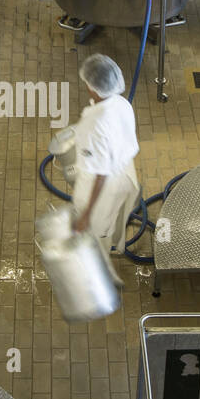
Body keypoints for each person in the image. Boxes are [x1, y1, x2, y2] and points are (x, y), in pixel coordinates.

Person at [70, 54, 141, 285]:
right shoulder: (121, 103)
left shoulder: (94, 124)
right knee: (114, 220)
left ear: (93, 88)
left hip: (105, 184)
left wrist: (86, 214)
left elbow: (99, 174)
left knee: (96, 230)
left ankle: (101, 276)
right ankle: (110, 248)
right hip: (127, 173)